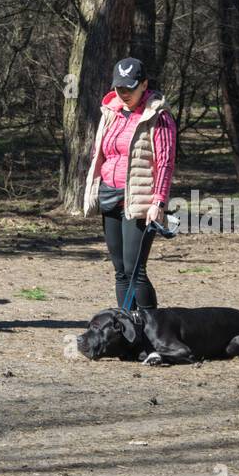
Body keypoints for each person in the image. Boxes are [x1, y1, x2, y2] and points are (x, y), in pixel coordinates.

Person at [82, 57, 177, 310]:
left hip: (139, 200)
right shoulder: (110, 112)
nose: (124, 93)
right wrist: (94, 189)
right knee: (120, 271)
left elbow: (165, 163)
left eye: (130, 88)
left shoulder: (159, 116)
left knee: (135, 270)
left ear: (144, 84)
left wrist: (159, 201)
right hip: (109, 195)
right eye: (119, 88)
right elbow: (98, 154)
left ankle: (154, 333)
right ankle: (128, 329)